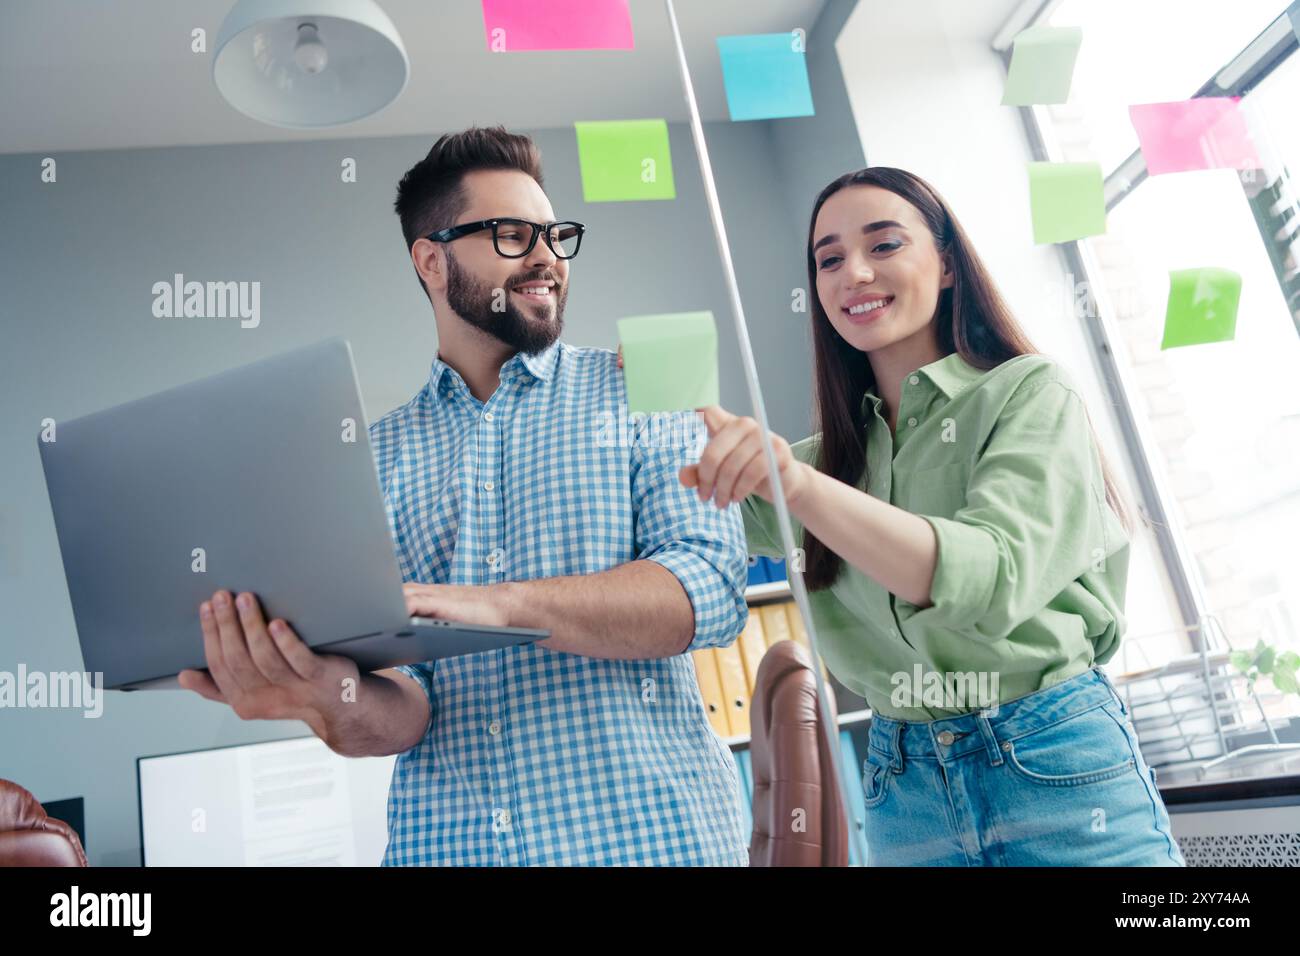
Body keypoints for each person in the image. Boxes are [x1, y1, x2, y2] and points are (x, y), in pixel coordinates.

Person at [179, 126, 751, 866]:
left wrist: (494, 605)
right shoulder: (371, 458)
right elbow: (402, 710)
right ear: (431, 259)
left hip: (648, 845)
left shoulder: (647, 381)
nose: (547, 257)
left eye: (555, 235)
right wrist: (325, 697)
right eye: (512, 236)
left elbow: (707, 592)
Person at [670, 166, 1186, 866]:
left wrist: (796, 485)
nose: (852, 273)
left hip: (1054, 759)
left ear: (946, 263)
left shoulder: (1027, 393)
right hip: (904, 786)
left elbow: (990, 579)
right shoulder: (821, 464)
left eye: (883, 245)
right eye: (828, 260)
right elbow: (680, 527)